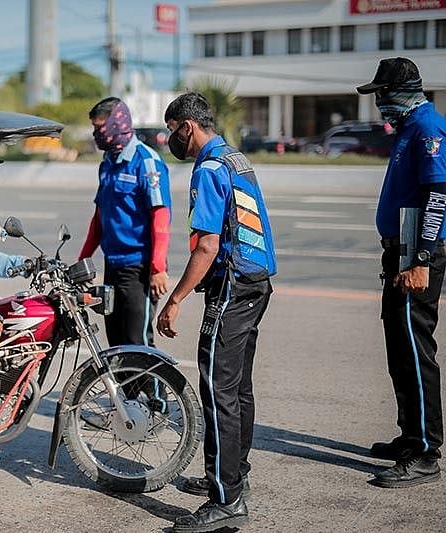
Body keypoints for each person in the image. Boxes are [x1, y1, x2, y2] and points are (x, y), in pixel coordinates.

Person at [156, 92, 276, 532]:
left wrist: (175, 299)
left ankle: (226, 499)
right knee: (238, 388)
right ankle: (232, 475)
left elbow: (206, 246)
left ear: (187, 127)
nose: (171, 140)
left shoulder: (208, 168)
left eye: (172, 131)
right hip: (256, 283)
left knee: (217, 391)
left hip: (231, 287)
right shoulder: (235, 158)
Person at [356, 57, 446, 488]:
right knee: (399, 350)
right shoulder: (409, 127)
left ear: (401, 91)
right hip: (400, 252)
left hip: (416, 254)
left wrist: (421, 259)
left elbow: (439, 196)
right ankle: (411, 437)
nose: (379, 103)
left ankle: (426, 452)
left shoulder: (428, 128)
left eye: (382, 94)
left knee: (415, 350)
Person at [79, 97, 171, 349]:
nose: (97, 134)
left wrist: (158, 268)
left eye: (100, 127)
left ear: (118, 123)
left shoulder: (147, 162)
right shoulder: (107, 163)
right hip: (112, 266)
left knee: (137, 343)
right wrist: (83, 259)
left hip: (138, 267)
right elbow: (100, 218)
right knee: (116, 342)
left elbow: (161, 218)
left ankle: (151, 379)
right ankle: (122, 378)